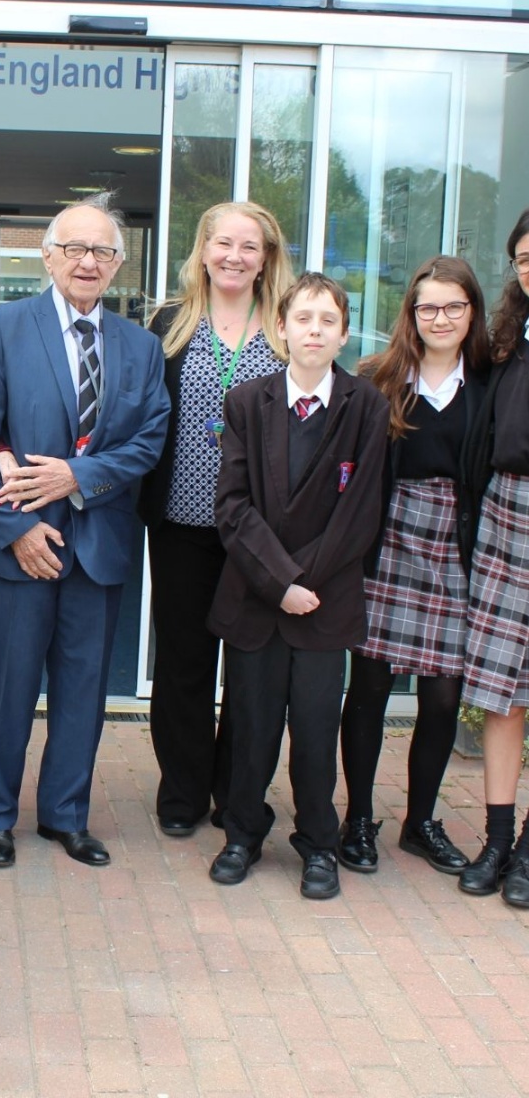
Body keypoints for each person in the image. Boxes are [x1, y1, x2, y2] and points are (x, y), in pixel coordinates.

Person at [0, 193, 169, 868]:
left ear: (118, 264)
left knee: (83, 694)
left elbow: (149, 440)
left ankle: (64, 815)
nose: (88, 261)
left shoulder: (141, 347)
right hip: (23, 546)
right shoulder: (2, 327)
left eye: (103, 251)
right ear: (47, 255)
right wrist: (14, 528)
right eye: (75, 248)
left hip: (98, 547)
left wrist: (79, 476)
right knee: (11, 691)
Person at [208, 273, 388, 899]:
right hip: (259, 598)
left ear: (343, 332)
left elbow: (361, 510)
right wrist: (280, 580)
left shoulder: (366, 406)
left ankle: (318, 843)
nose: (314, 330)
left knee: (315, 730)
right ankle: (242, 833)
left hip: (325, 602)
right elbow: (231, 505)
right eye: (302, 318)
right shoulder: (248, 402)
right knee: (251, 726)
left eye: (327, 320)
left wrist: (305, 582)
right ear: (279, 328)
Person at [139, 202, 292, 837]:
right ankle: (183, 791)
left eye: (248, 246)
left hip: (261, 529)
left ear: (266, 258)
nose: (234, 256)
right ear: (201, 251)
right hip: (181, 524)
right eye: (222, 243)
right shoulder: (168, 324)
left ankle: (237, 793)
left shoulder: (287, 327)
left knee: (251, 666)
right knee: (184, 662)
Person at [340, 257, 489, 875]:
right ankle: (357, 820)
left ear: (472, 312)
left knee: (441, 694)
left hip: (456, 549)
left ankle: (421, 822)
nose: (441, 318)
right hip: (388, 542)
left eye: (454, 306)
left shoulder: (489, 382)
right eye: (428, 307)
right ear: (412, 314)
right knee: (370, 686)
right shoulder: (379, 378)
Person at [458, 208, 529, 908]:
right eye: (525, 256)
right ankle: (498, 838)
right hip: (508, 516)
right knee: (503, 696)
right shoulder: (507, 340)